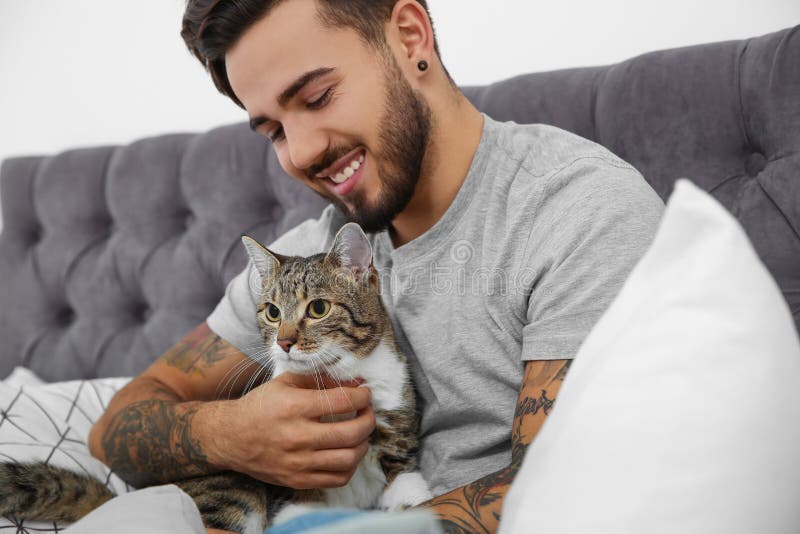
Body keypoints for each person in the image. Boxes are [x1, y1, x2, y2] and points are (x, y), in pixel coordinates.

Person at [88, 0, 664, 531]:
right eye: (275, 132)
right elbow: (115, 426)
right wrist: (232, 434)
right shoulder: (307, 258)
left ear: (410, 37)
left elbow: (565, 490)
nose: (303, 151)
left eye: (317, 98)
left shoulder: (577, 211)